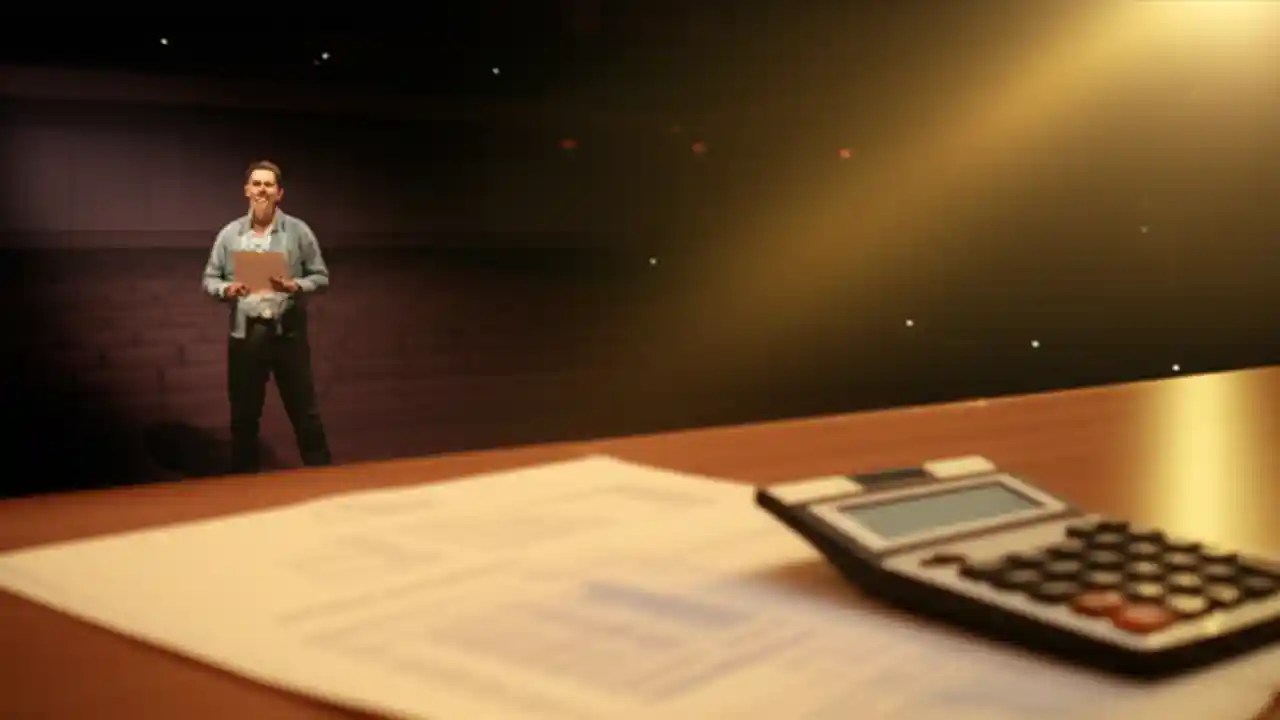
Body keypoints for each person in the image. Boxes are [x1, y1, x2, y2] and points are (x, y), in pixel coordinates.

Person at [201, 160, 332, 473]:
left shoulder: (298, 232)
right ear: (247, 190)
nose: (262, 189)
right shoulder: (230, 235)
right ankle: (245, 491)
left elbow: (321, 276)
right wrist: (226, 289)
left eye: (268, 184)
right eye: (256, 184)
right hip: (246, 335)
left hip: (288, 334)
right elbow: (209, 279)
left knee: (306, 414)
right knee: (244, 418)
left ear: (279, 193)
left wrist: (295, 284)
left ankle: (327, 481)